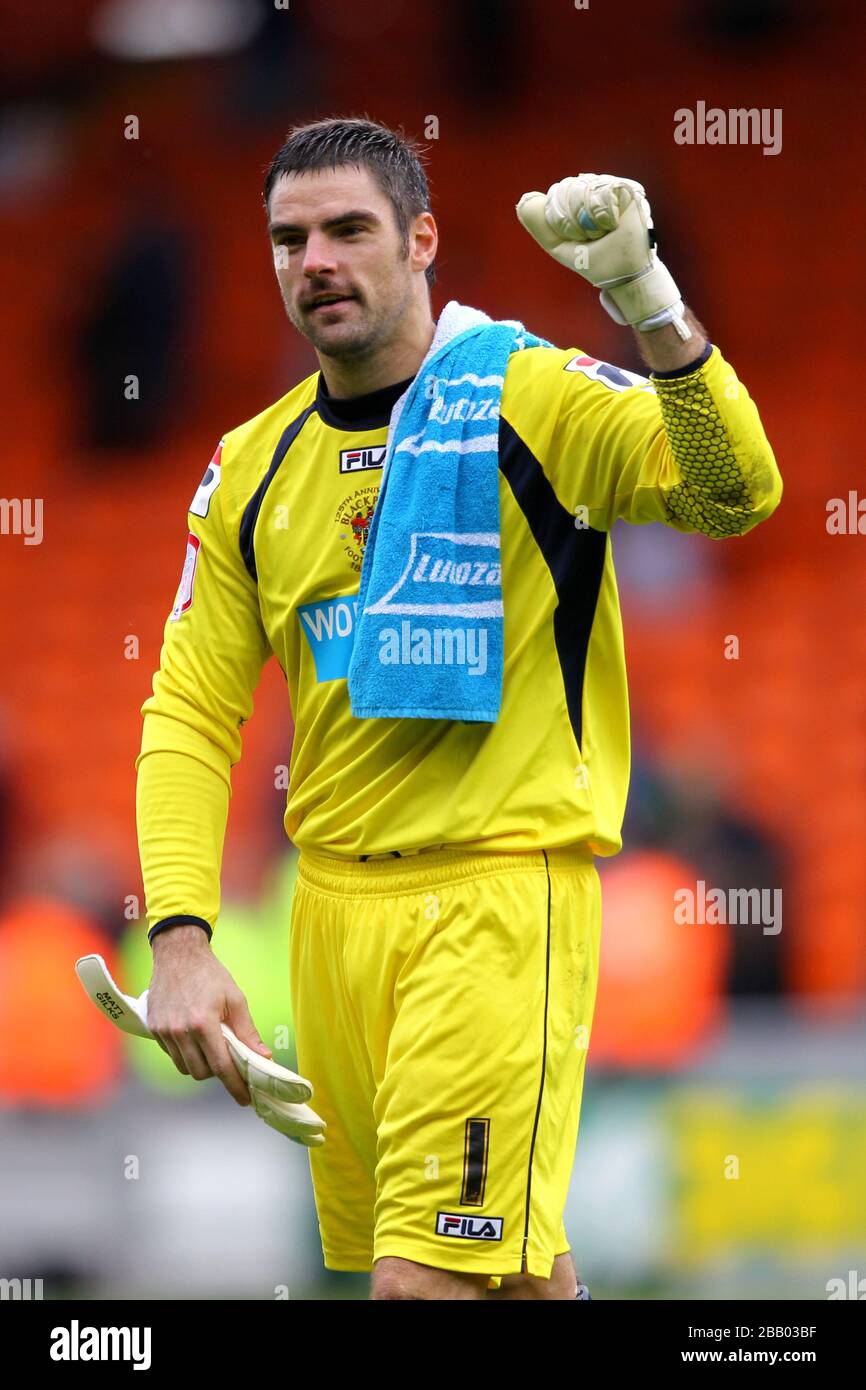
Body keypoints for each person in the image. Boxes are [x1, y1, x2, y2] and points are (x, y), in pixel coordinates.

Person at [135, 116, 783, 1301]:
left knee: (419, 1288)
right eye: (289, 240)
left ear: (421, 239)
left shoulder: (527, 396)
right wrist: (179, 935)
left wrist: (645, 299)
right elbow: (188, 708)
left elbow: (733, 489)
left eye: (347, 230)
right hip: (334, 919)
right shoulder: (249, 467)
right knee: (512, 1280)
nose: (314, 260)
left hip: (493, 903)